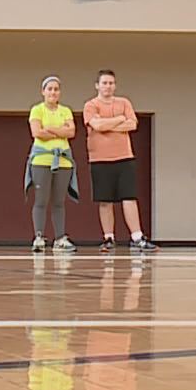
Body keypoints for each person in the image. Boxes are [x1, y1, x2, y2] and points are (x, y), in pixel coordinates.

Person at [81, 69, 156, 252]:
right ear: (97, 85)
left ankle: (137, 237)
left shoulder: (124, 103)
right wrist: (119, 120)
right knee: (105, 201)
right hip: (99, 158)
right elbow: (96, 125)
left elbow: (132, 124)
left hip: (124, 157)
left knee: (129, 197)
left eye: (111, 83)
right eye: (104, 83)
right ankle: (108, 238)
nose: (108, 86)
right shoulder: (90, 105)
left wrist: (110, 123)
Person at [26, 75, 77, 253]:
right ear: (43, 91)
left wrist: (52, 130)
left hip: (63, 161)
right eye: (50, 89)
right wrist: (60, 131)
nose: (53, 92)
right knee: (41, 199)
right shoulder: (37, 110)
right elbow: (37, 132)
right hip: (42, 160)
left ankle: (60, 237)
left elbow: (71, 132)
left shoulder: (66, 111)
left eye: (56, 89)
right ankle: (39, 236)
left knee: (59, 201)